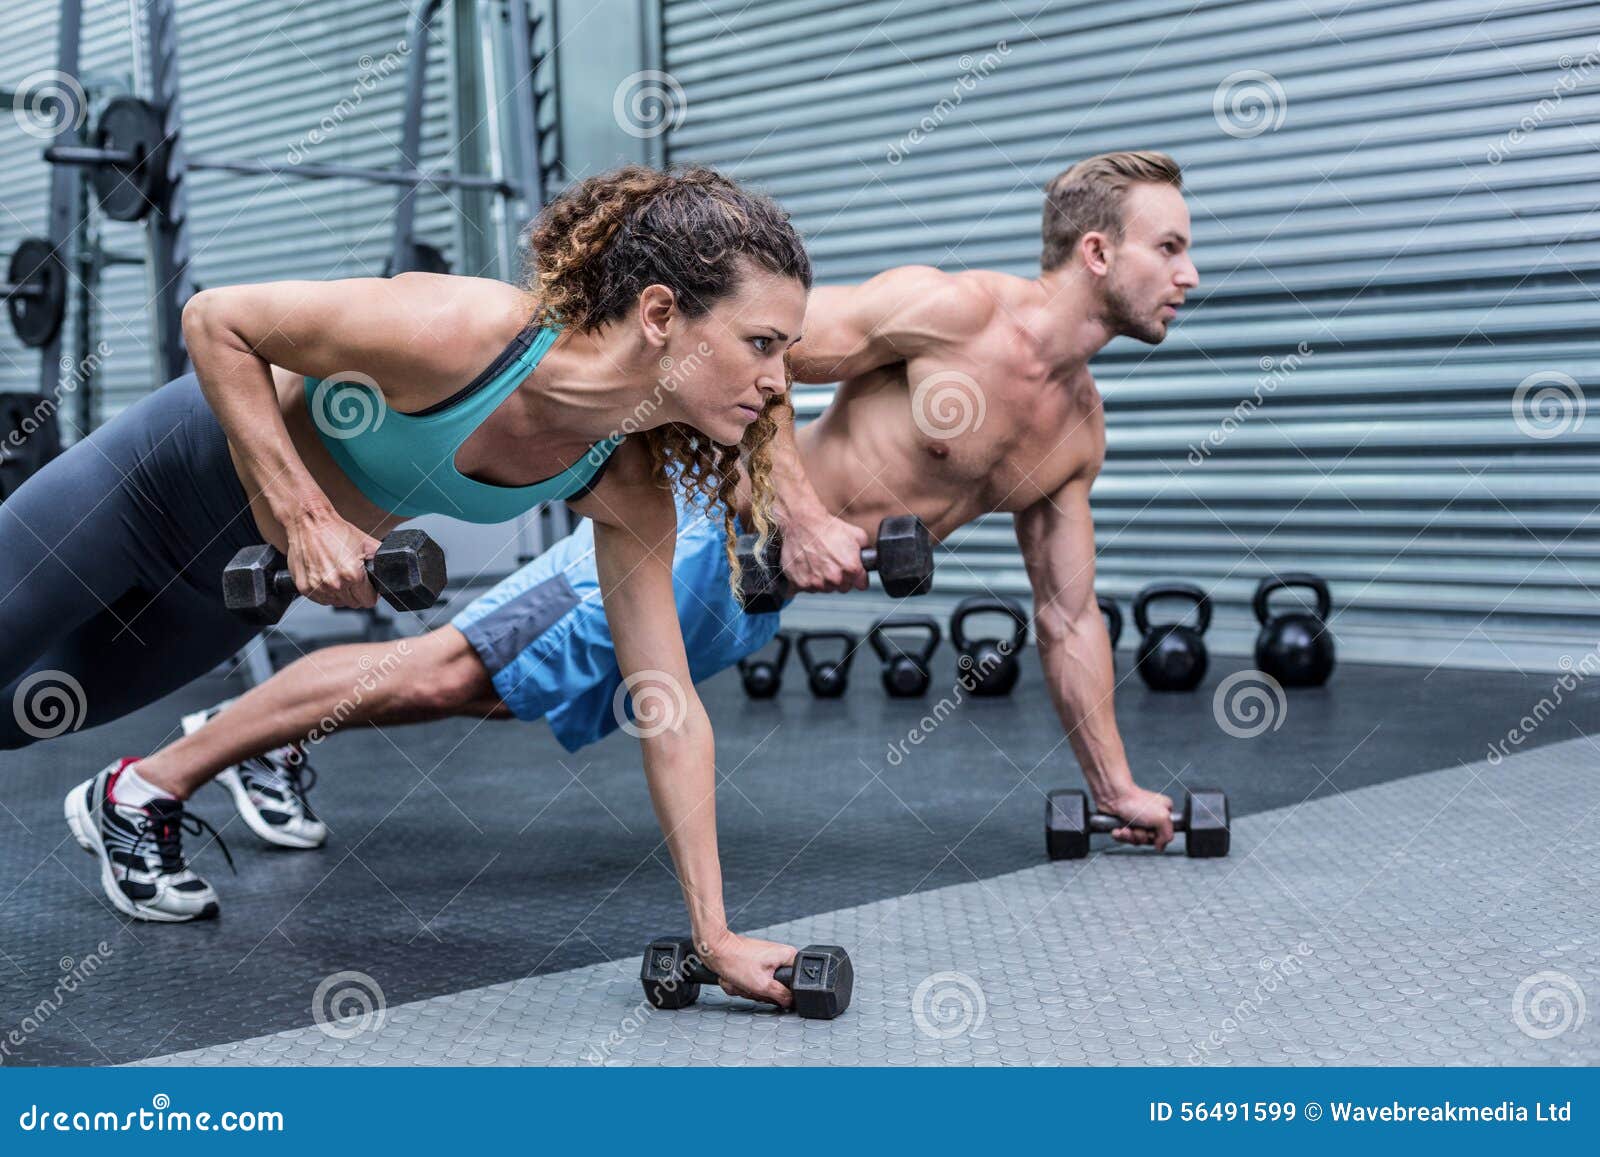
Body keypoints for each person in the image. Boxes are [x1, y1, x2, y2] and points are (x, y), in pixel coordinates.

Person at [91, 148, 1197, 981]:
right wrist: (793, 505)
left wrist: (1114, 788)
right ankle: (160, 775)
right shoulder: (953, 312)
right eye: (1171, 246)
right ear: (1097, 251)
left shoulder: (1074, 432)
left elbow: (1068, 616)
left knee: (490, 690)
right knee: (449, 666)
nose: (1189, 274)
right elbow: (752, 351)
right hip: (699, 527)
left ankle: (275, 736)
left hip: (748, 602)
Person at [7, 164, 817, 1009]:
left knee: (16, 720)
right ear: (659, 315)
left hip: (238, 583)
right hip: (146, 488)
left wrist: (714, 934)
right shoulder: (468, 332)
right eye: (762, 344)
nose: (779, 383)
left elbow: (668, 703)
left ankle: (118, 801)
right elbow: (218, 320)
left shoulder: (626, 480)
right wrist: (305, 512)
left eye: (788, 352)